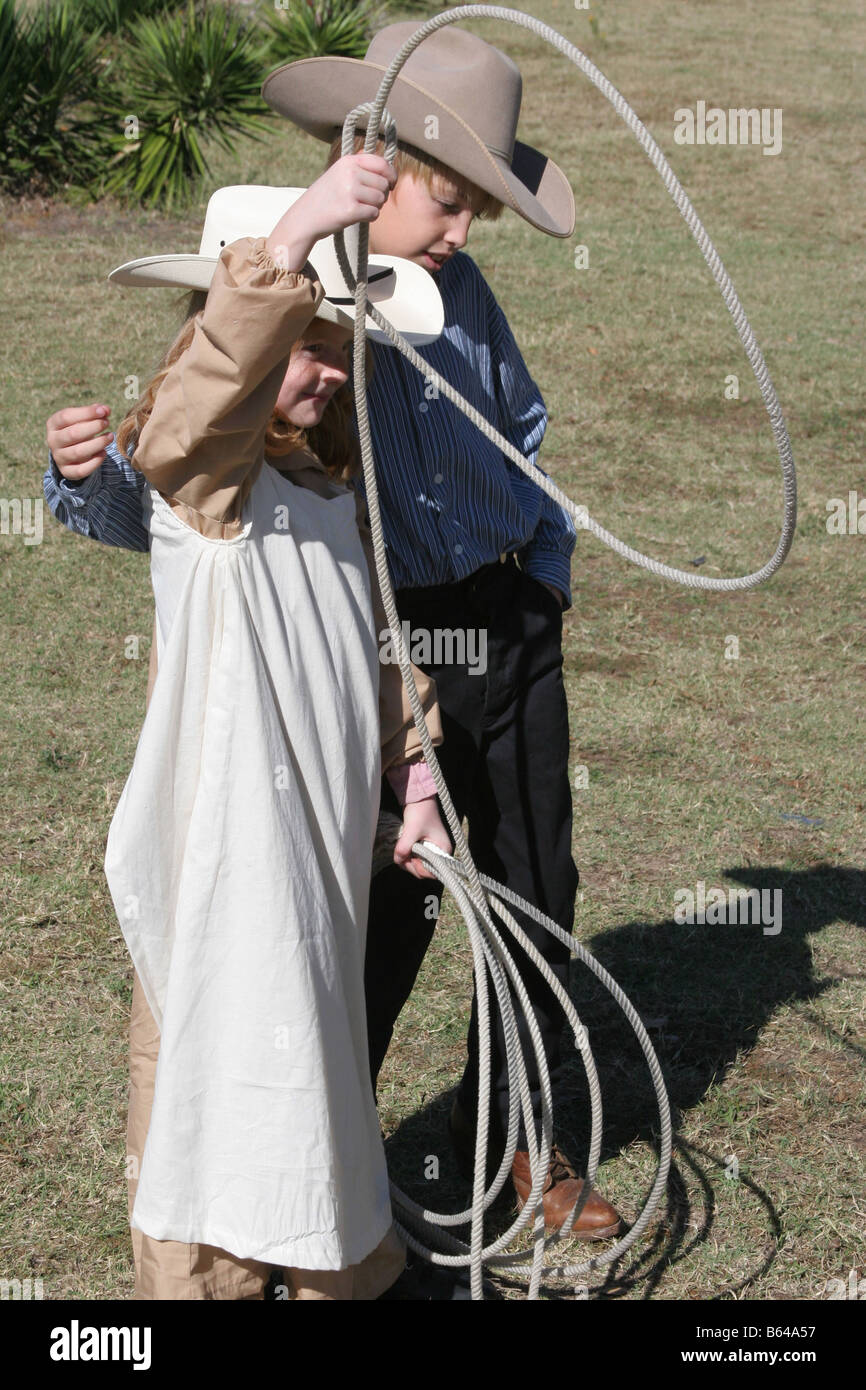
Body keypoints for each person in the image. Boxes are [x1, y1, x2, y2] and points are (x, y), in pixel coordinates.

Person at [44, 23, 623, 1239]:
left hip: (507, 615)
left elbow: (519, 425)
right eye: (448, 199)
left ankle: (522, 1144)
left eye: (478, 212)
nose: (462, 230)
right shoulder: (279, 292)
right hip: (388, 645)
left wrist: (545, 570)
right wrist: (82, 483)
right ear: (371, 158)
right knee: (380, 902)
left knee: (534, 881)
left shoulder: (459, 296)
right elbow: (187, 467)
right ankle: (323, 1161)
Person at [51, 153, 453, 1300]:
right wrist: (308, 224)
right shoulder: (204, 493)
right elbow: (190, 410)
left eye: (337, 345)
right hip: (229, 841)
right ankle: (202, 1283)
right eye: (298, 338)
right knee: (201, 1049)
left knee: (308, 1034)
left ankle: (331, 1249)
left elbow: (375, 648)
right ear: (236, 331)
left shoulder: (331, 495)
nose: (320, 369)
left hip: (316, 836)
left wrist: (409, 773)